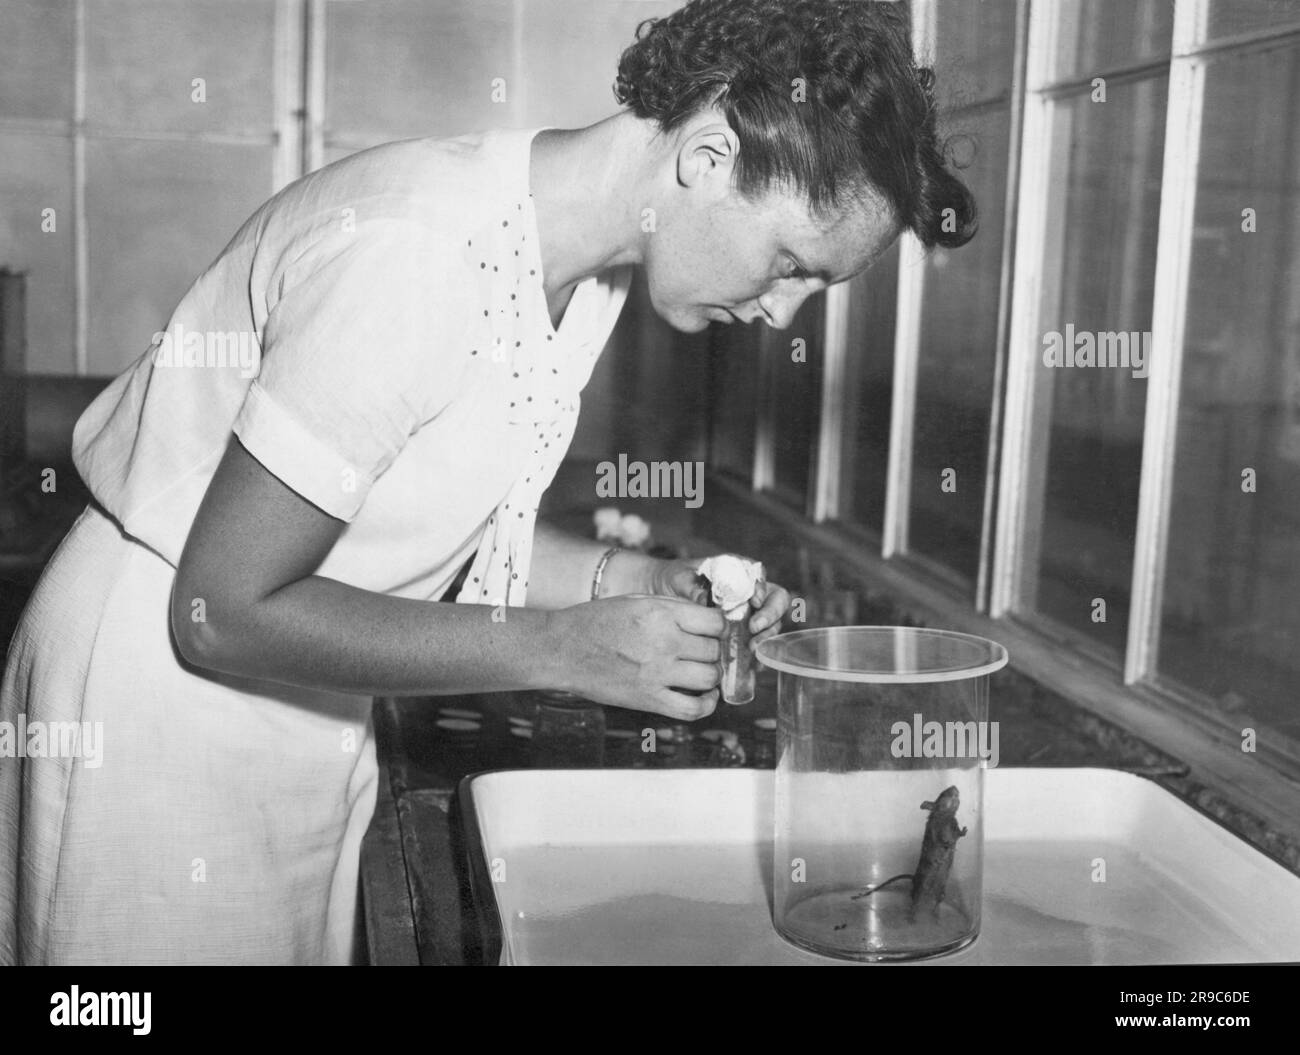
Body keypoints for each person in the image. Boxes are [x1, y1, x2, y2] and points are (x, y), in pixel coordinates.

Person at [0, 0, 974, 965]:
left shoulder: (579, 278)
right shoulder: (419, 254)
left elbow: (442, 537)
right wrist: (561, 650)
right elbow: (220, 606)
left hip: (295, 708)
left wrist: (631, 583)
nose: (781, 313)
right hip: (159, 711)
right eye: (792, 264)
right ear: (709, 156)